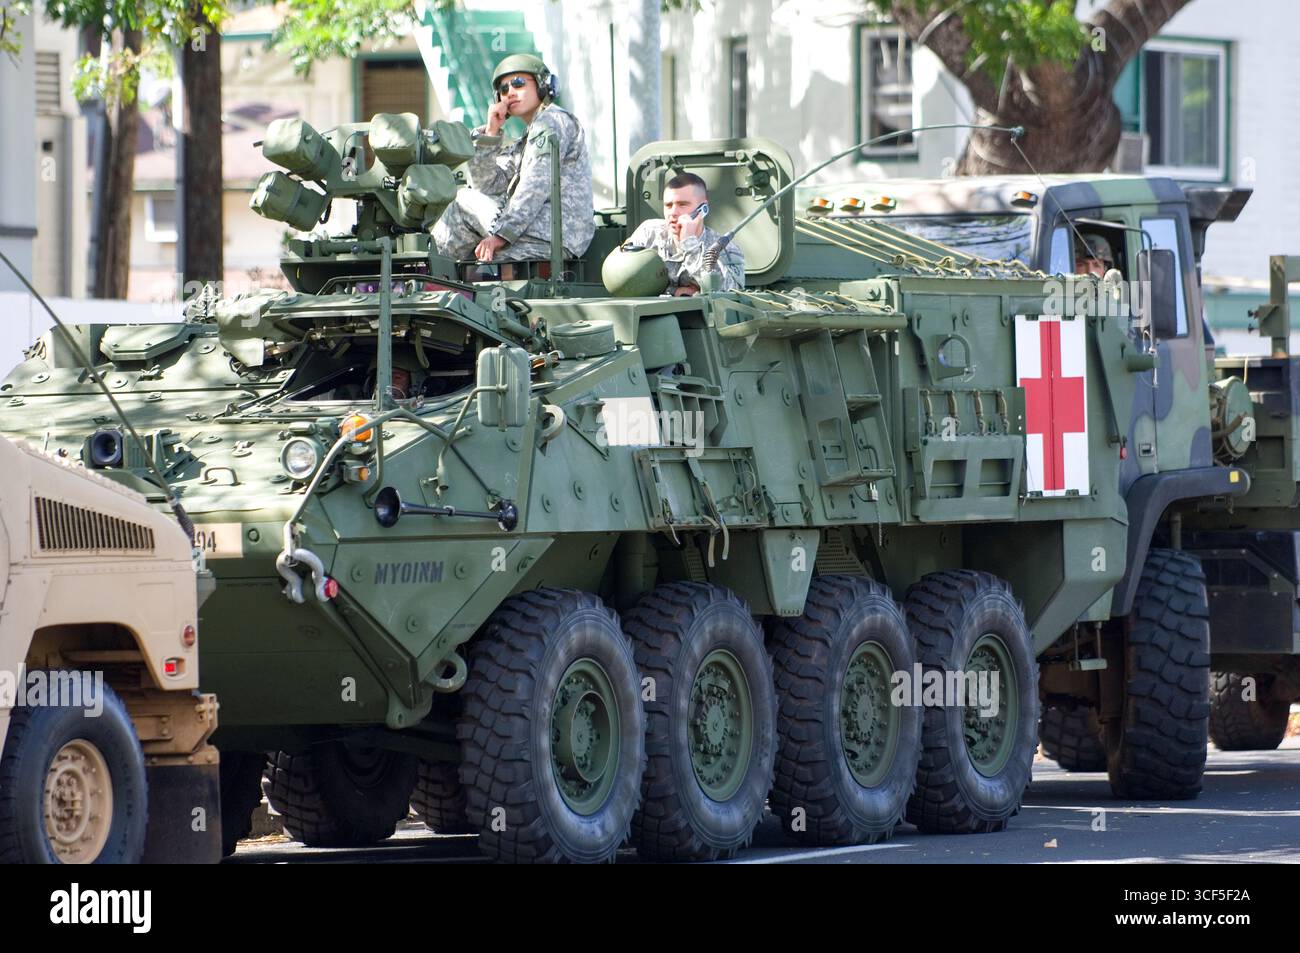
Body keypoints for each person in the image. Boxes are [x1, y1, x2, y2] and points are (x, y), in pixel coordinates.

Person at [432, 54, 594, 264]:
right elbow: (488, 186)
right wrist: (491, 131)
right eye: (503, 90)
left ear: (542, 85)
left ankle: (427, 270)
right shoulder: (525, 143)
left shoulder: (552, 122)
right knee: (466, 211)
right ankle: (435, 272)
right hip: (535, 232)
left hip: (552, 235)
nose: (510, 94)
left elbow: (534, 187)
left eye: (518, 83)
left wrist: (500, 237)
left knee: (464, 201)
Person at [624, 172, 745, 296]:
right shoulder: (648, 233)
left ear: (703, 208)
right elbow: (623, 281)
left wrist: (689, 243)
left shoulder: (726, 250)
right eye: (668, 205)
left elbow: (731, 294)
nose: (673, 213)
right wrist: (673, 292)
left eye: (682, 204)